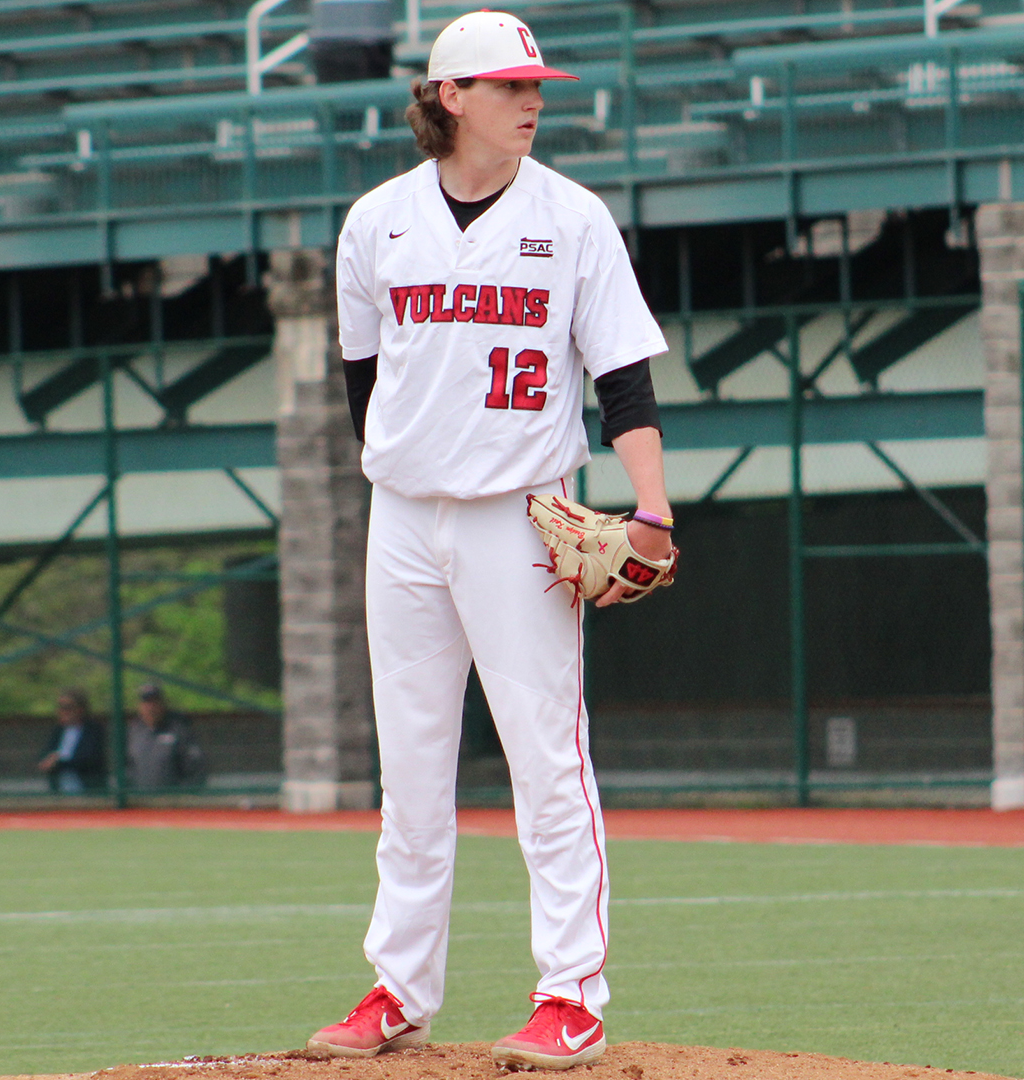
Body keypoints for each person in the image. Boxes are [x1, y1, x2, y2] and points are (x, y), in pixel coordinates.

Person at [306, 11, 674, 1071]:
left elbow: (624, 381)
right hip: (405, 521)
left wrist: (651, 508)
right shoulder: (376, 222)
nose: (533, 100)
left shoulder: (574, 218)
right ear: (451, 96)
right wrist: (408, 474)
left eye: (536, 85)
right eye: (510, 85)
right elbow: (362, 389)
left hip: (523, 514)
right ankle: (398, 990)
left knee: (547, 765)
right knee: (410, 773)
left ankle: (571, 995)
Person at [126, 684, 207, 789]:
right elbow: (127, 769)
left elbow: (196, 771)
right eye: (146, 702)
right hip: (141, 802)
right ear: (139, 706)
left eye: (155, 702)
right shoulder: (134, 732)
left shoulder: (179, 730)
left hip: (172, 802)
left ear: (163, 704)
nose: (151, 708)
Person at [37, 688, 105, 793]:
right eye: (60, 707)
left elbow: (88, 758)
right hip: (60, 783)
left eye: (67, 707)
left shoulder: (92, 730)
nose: (62, 711)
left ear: (80, 709)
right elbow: (48, 752)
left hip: (85, 784)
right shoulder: (59, 730)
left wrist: (59, 762)